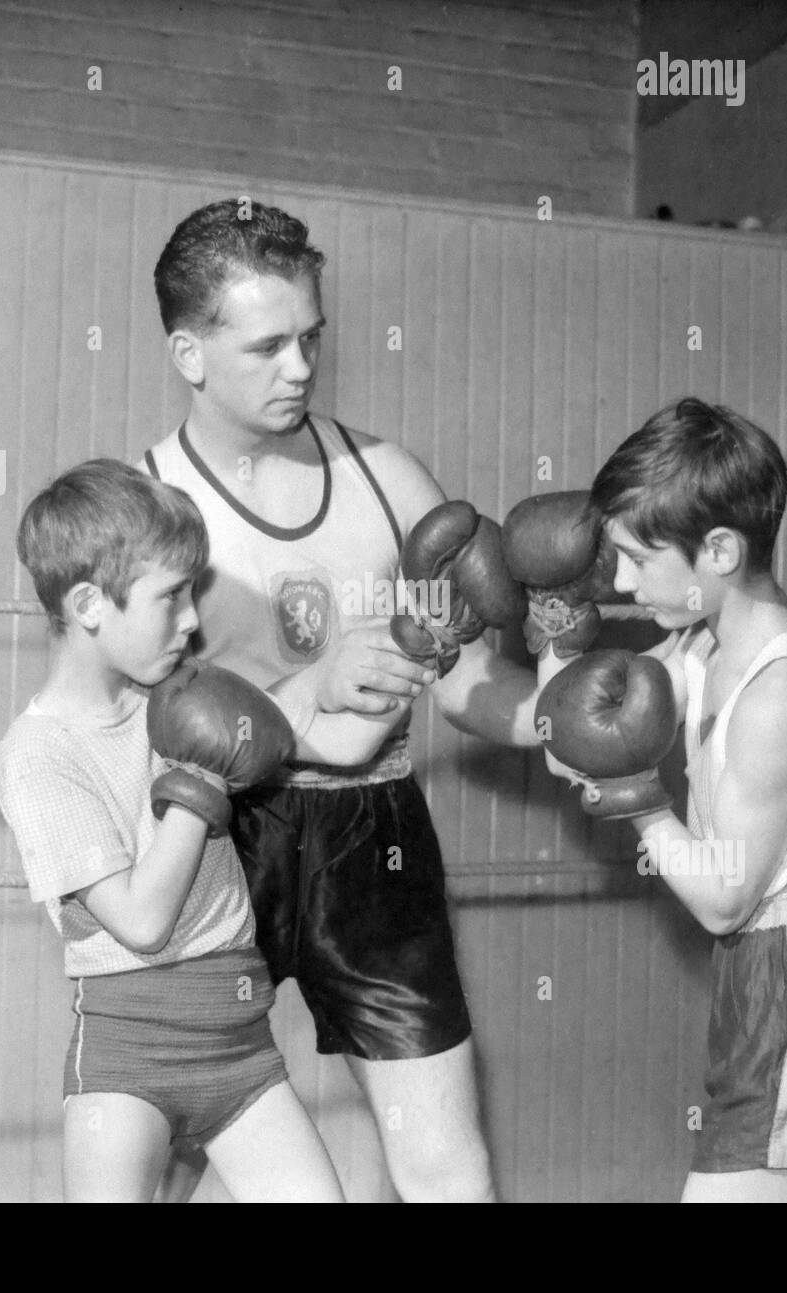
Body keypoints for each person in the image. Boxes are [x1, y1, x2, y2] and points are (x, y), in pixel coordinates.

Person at [140, 199, 542, 1203]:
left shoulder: (388, 478)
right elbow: (131, 717)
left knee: (445, 1153)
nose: (301, 367)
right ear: (188, 352)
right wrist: (308, 689)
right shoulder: (147, 505)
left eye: (311, 337)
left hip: (379, 836)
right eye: (267, 345)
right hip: (219, 838)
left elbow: (460, 683)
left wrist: (554, 720)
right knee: (164, 1153)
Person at [533, 398, 787, 1203]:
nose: (621, 581)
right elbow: (577, 728)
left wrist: (643, 804)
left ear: (717, 548)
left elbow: (721, 899)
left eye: (638, 558)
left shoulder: (781, 689)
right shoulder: (709, 639)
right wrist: (554, 633)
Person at [0, 457, 387, 1203]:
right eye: (171, 596)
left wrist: (416, 646)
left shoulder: (178, 695)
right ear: (88, 604)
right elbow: (142, 919)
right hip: (129, 1053)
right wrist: (200, 779)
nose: (192, 621)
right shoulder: (38, 755)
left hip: (239, 1043)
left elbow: (341, 742)